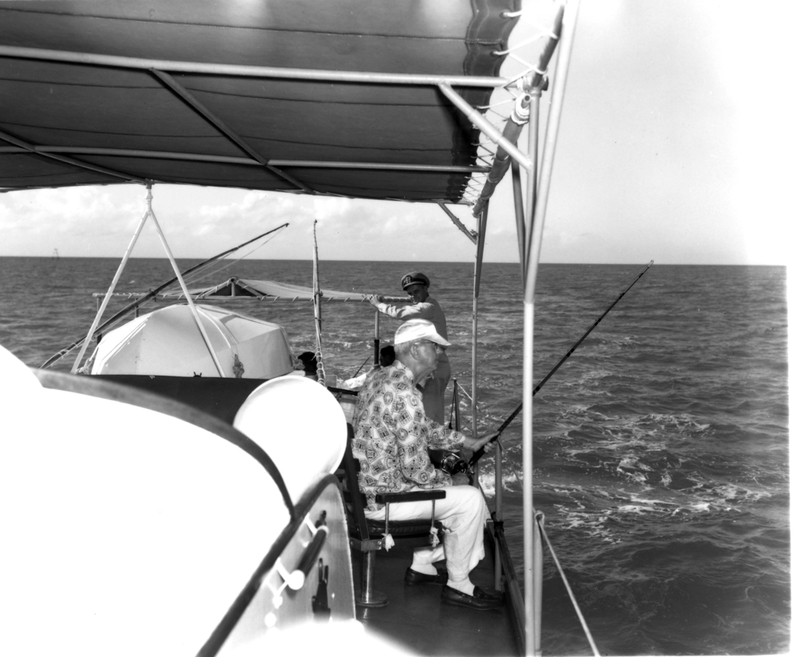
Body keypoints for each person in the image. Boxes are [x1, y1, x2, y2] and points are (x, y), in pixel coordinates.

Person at [352, 319, 502, 610]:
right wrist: (453, 481)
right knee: (470, 499)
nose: (439, 354)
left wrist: (467, 442)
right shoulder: (405, 394)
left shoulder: (379, 379)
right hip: (386, 498)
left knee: (466, 502)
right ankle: (459, 586)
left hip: (368, 489)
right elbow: (417, 471)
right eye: (434, 346)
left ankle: (424, 562)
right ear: (416, 349)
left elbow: (419, 427)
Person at [367, 272, 450, 424]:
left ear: (425, 288)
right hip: (430, 368)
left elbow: (400, 313)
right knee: (432, 419)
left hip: (433, 370)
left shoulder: (428, 307)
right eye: (410, 294)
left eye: (416, 292)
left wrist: (379, 304)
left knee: (425, 419)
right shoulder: (424, 310)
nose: (413, 296)